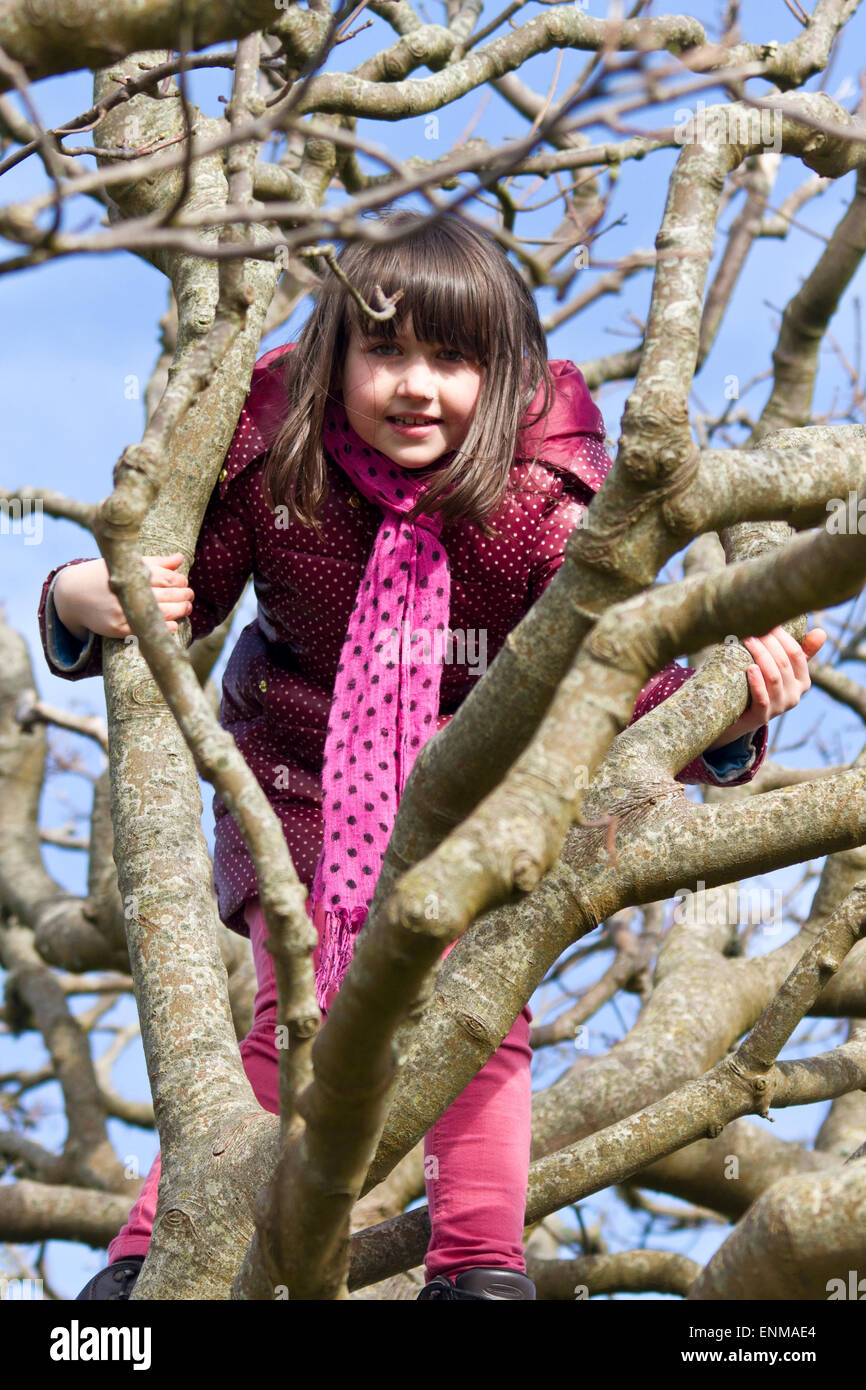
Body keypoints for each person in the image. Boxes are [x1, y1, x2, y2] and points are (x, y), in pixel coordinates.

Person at [37, 209, 824, 1301]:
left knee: (479, 1025)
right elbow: (176, 590)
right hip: (295, 787)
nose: (417, 386)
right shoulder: (285, 468)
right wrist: (78, 594)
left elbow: (619, 676)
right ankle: (148, 1259)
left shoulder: (541, 507)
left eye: (452, 360)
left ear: (501, 376)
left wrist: (727, 718)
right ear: (335, 359)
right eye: (387, 351)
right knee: (288, 1027)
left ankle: (476, 1270)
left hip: (475, 808)